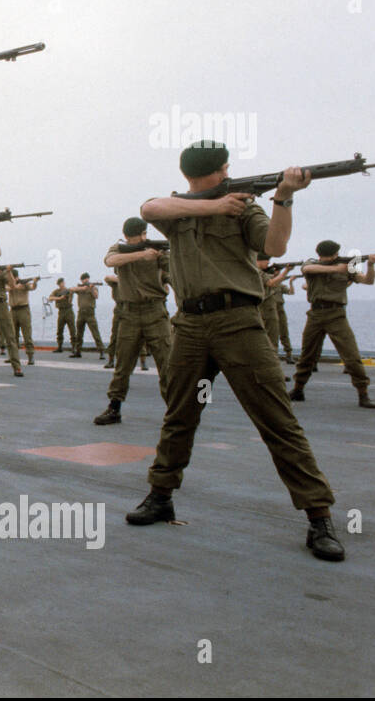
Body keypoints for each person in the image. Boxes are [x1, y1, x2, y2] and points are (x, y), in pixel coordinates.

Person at [125, 140, 345, 562]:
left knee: (276, 418)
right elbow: (150, 208)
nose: (229, 175)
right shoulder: (183, 207)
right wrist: (213, 206)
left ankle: (319, 516)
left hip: (238, 321)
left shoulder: (247, 208)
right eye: (226, 169)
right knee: (179, 414)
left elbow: (275, 248)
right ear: (219, 171)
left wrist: (283, 197)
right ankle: (161, 495)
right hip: (189, 324)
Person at [93, 218, 172, 425]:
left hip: (155, 310)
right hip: (129, 313)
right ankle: (114, 407)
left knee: (167, 364)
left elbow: (173, 271)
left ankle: (175, 410)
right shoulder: (119, 249)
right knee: (123, 364)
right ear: (138, 235)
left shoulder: (157, 251)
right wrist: (141, 255)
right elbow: (110, 261)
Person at [288, 241, 375, 409]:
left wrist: (371, 265)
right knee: (307, 355)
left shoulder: (346, 268)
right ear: (333, 254)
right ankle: (298, 389)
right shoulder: (312, 264)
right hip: (315, 314)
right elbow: (307, 269)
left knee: (351, 356)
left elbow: (368, 281)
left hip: (336, 314)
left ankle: (363, 394)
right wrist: (339, 268)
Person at [103, 274, 148, 370]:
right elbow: (107, 278)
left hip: (132, 307)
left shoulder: (134, 279)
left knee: (139, 335)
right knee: (114, 335)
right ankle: (111, 360)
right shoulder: (116, 281)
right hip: (119, 308)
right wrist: (122, 280)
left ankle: (143, 362)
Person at [7, 269, 37, 364]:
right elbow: (7, 288)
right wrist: (15, 286)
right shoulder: (9, 284)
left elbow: (32, 288)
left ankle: (30, 355)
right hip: (13, 310)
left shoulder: (24, 284)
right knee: (12, 335)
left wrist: (35, 282)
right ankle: (13, 357)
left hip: (23, 309)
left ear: (15, 277)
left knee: (27, 334)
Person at [73, 273, 105, 360]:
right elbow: (71, 289)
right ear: (81, 280)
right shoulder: (80, 288)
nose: (85, 280)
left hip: (90, 313)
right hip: (81, 313)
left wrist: (90, 289)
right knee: (79, 334)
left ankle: (102, 351)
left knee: (95, 333)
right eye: (84, 279)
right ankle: (78, 351)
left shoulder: (93, 288)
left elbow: (96, 296)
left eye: (86, 278)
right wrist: (82, 288)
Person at [46, 279, 77, 355]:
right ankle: (60, 346)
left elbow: (70, 301)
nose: (62, 284)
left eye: (62, 283)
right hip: (61, 311)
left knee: (72, 330)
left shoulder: (68, 290)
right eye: (60, 283)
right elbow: (50, 298)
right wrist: (59, 298)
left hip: (68, 310)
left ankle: (74, 347)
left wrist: (71, 294)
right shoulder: (56, 291)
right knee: (60, 330)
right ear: (58, 284)